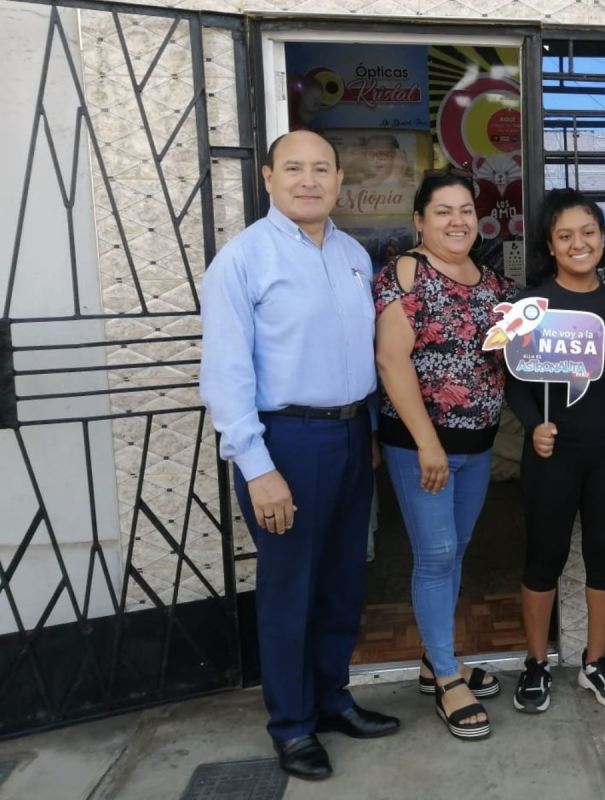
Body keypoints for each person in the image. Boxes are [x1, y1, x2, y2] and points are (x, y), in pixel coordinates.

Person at [199, 131, 399, 781]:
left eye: (321, 169)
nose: (308, 180)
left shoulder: (351, 255)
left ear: (340, 179)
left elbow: (360, 351)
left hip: (348, 437)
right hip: (284, 442)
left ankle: (333, 700)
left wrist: (366, 429)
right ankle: (291, 726)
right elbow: (225, 374)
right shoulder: (243, 260)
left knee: (343, 583)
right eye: (294, 169)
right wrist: (257, 468)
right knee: (291, 591)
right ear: (268, 178)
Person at [373, 166, 515, 740]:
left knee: (455, 554)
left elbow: (511, 359)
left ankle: (439, 659)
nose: (457, 221)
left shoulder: (493, 284)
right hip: (419, 446)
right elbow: (391, 361)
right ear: (420, 220)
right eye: (443, 211)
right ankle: (446, 679)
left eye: (465, 211)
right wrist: (428, 442)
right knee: (435, 555)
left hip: (477, 446)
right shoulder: (406, 274)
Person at [506, 189, 605, 714]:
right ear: (550, 244)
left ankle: (595, 662)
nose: (578, 243)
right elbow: (516, 381)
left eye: (588, 233)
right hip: (550, 455)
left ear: (603, 239)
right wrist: (533, 423)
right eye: (566, 235)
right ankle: (536, 663)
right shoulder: (529, 307)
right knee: (544, 558)